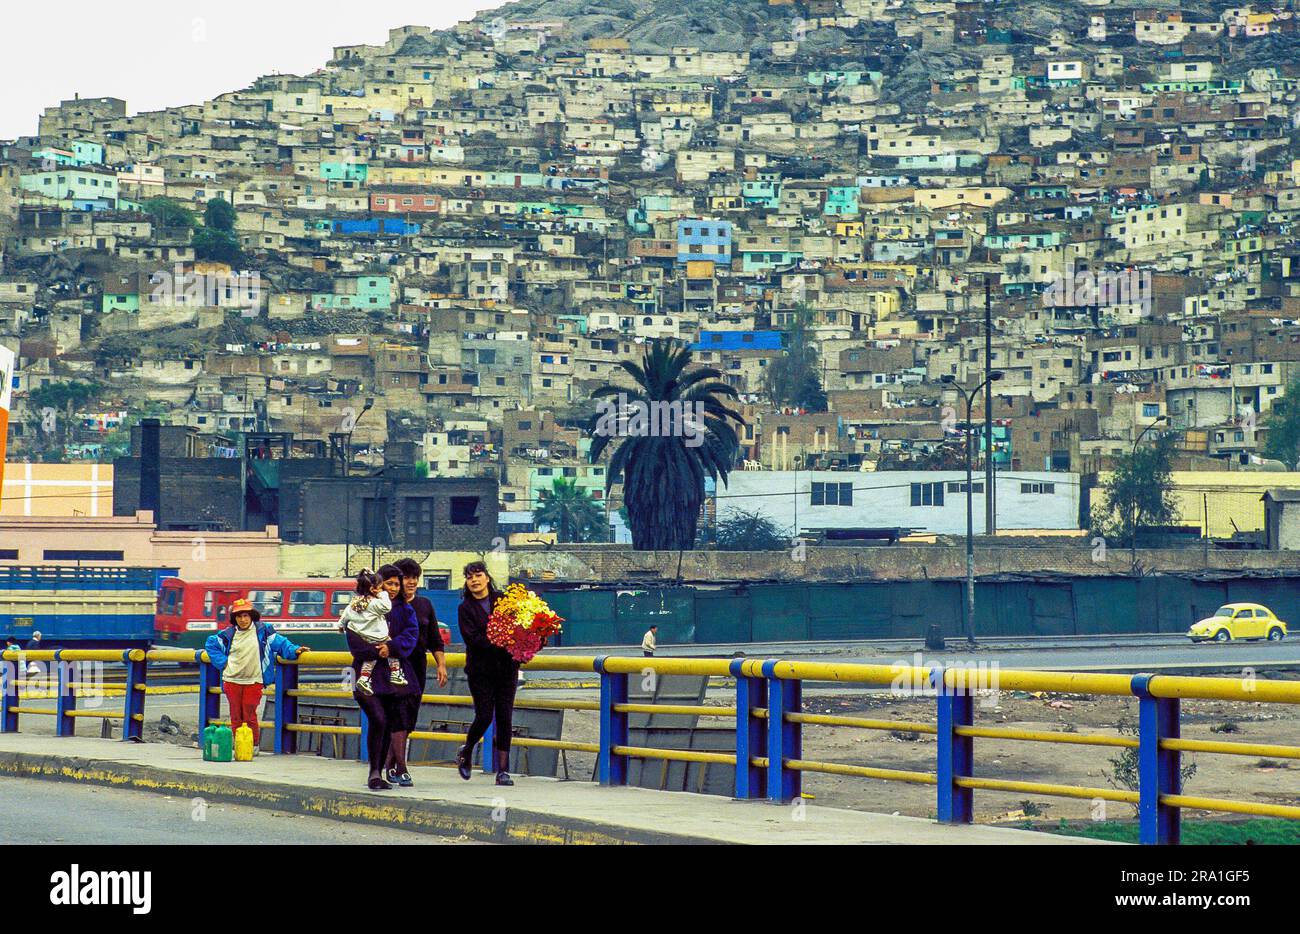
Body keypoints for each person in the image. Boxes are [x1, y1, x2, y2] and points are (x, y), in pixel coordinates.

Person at [345, 564, 419, 790]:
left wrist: (393, 647)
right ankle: (374, 771)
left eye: (397, 584)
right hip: (367, 673)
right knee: (378, 718)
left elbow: (411, 634)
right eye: (389, 583)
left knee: (387, 721)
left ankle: (380, 772)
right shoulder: (360, 605)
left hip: (393, 675)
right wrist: (378, 650)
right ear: (377, 585)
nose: (394, 588)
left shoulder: (405, 610)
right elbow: (352, 637)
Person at [204, 598, 308, 752]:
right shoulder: (226, 635)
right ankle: (239, 745)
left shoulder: (264, 631)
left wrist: (294, 650)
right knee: (235, 715)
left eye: (246, 615)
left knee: (249, 713)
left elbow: (281, 643)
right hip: (231, 680)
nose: (243, 620)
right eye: (239, 617)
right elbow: (210, 645)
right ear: (235, 619)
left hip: (255, 680)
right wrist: (224, 663)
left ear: (252, 616)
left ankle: (253, 746)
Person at [383, 557, 448, 787]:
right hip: (393, 665)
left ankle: (390, 764)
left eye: (415, 578)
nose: (411, 582)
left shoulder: (424, 605)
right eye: (406, 578)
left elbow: (435, 640)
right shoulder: (385, 605)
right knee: (399, 716)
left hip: (418, 666)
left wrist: (441, 664)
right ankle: (402, 768)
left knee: (409, 719)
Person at [456, 560, 518, 786]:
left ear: (487, 578)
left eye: (478, 575)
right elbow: (473, 639)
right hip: (480, 670)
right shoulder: (465, 608)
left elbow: (521, 624)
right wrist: (503, 641)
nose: (474, 580)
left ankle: (503, 771)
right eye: (469, 576)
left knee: (505, 716)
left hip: (507, 668)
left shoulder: (503, 600)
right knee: (484, 715)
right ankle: (467, 750)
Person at [339, 569, 406, 694]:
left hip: (364, 637)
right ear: (373, 589)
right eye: (381, 587)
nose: (383, 590)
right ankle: (396, 672)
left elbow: (345, 616)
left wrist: (340, 625)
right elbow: (387, 607)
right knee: (391, 649)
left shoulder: (355, 602)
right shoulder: (375, 604)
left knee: (370, 659)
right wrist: (382, 594)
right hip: (378, 637)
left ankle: (364, 678)